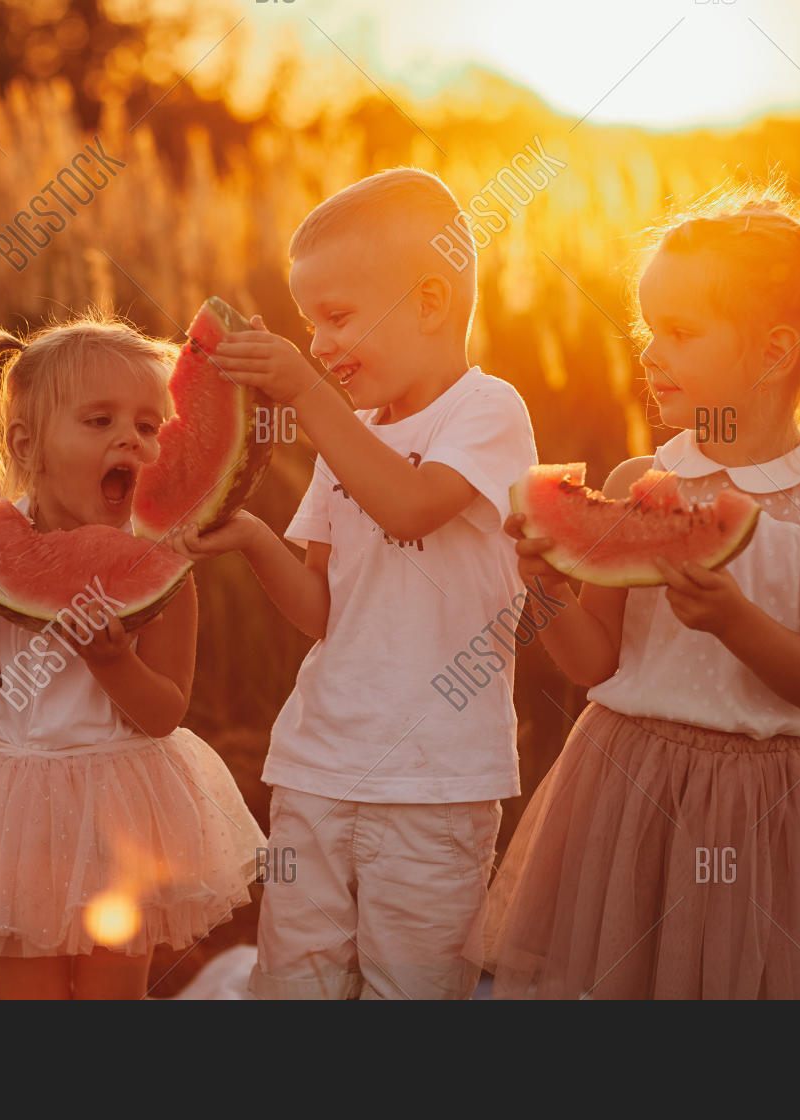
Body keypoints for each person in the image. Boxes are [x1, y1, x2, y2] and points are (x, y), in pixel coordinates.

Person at [483, 188, 800, 999]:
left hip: (764, 807)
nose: (649, 352)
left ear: (774, 349)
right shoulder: (642, 481)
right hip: (624, 786)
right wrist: (548, 585)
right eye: (647, 330)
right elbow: (594, 666)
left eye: (680, 332)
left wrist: (736, 621)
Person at [169, 168, 538, 998]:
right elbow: (319, 610)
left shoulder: (488, 411)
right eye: (308, 326)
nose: (322, 347)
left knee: (409, 989)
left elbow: (411, 508)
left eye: (337, 319)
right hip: (317, 765)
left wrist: (303, 393)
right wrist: (254, 538)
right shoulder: (351, 434)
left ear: (432, 303)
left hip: (436, 785)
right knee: (294, 982)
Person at [0, 314, 265, 999]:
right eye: (99, 421)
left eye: (150, 426)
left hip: (123, 815)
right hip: (16, 812)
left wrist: (113, 664)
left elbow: (165, 713)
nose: (131, 437)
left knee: (113, 998)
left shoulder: (164, 562)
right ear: (27, 445)